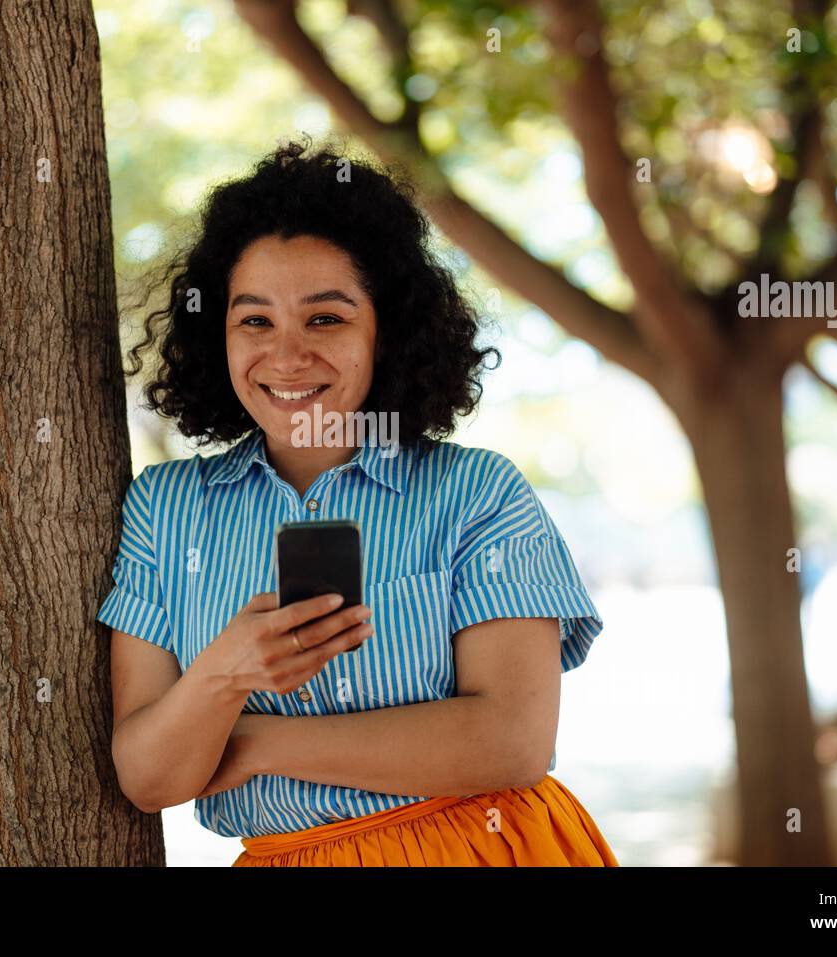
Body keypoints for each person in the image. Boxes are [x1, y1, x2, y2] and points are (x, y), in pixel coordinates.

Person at [98, 136, 618, 866]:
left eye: (326, 318)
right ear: (216, 333)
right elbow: (151, 777)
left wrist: (252, 741)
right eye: (255, 320)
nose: (285, 355)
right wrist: (226, 671)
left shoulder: (477, 494)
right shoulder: (164, 508)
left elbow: (511, 743)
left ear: (388, 331)